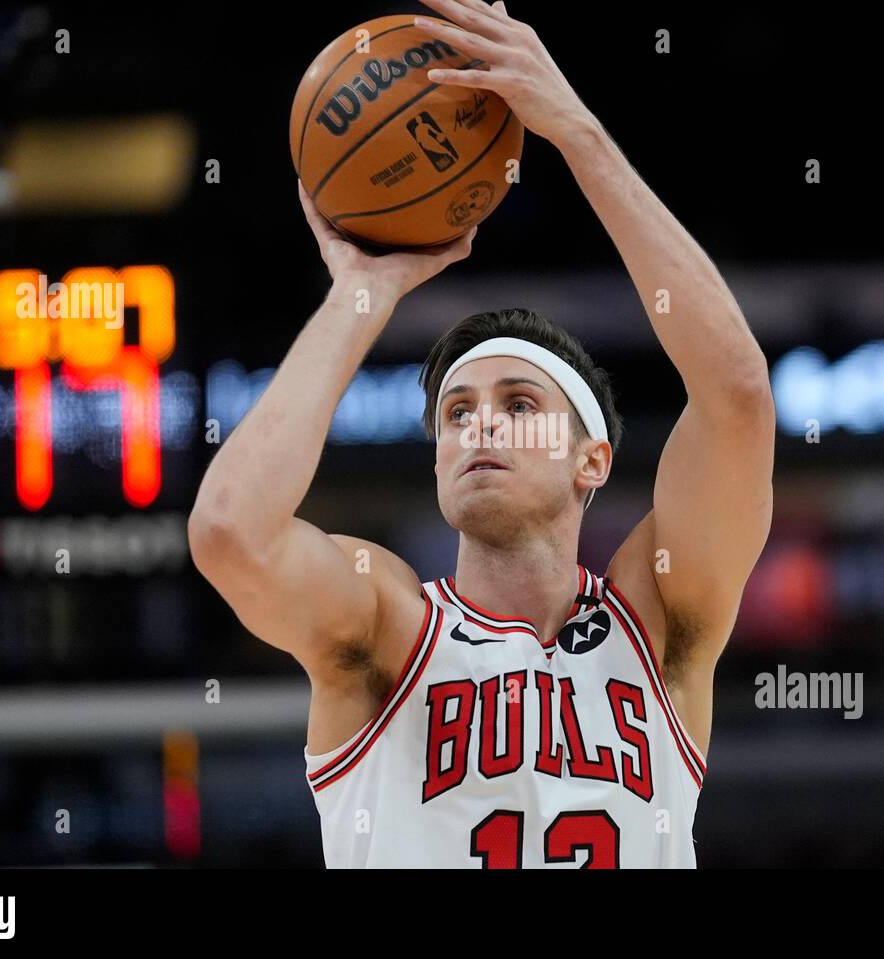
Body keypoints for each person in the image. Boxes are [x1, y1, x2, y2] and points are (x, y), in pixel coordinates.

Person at [188, 0, 774, 867]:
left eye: (519, 403)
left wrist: (578, 134)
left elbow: (734, 393)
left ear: (593, 460)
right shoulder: (386, 627)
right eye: (456, 412)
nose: (478, 424)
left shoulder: (659, 621)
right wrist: (362, 294)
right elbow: (230, 531)